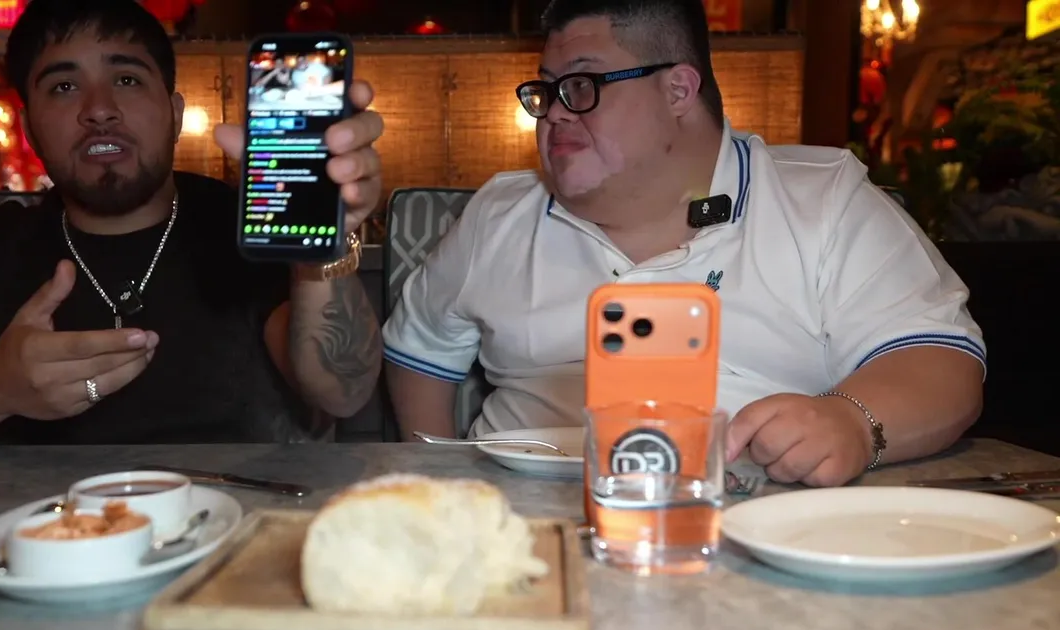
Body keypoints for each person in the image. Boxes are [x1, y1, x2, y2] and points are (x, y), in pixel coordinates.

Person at [382, 0, 985, 487]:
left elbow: (942, 363)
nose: (554, 115)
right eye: (547, 90)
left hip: (753, 527)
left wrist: (853, 422)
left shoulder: (823, 200)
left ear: (677, 90)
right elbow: (419, 353)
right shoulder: (499, 214)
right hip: (527, 529)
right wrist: (442, 484)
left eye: (582, 85)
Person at [0, 0, 384, 445]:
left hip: (236, 517)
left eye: (127, 79)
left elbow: (342, 392)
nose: (99, 109)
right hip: (45, 523)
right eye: (64, 86)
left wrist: (323, 247)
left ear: (174, 114)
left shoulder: (241, 222)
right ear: (30, 130)